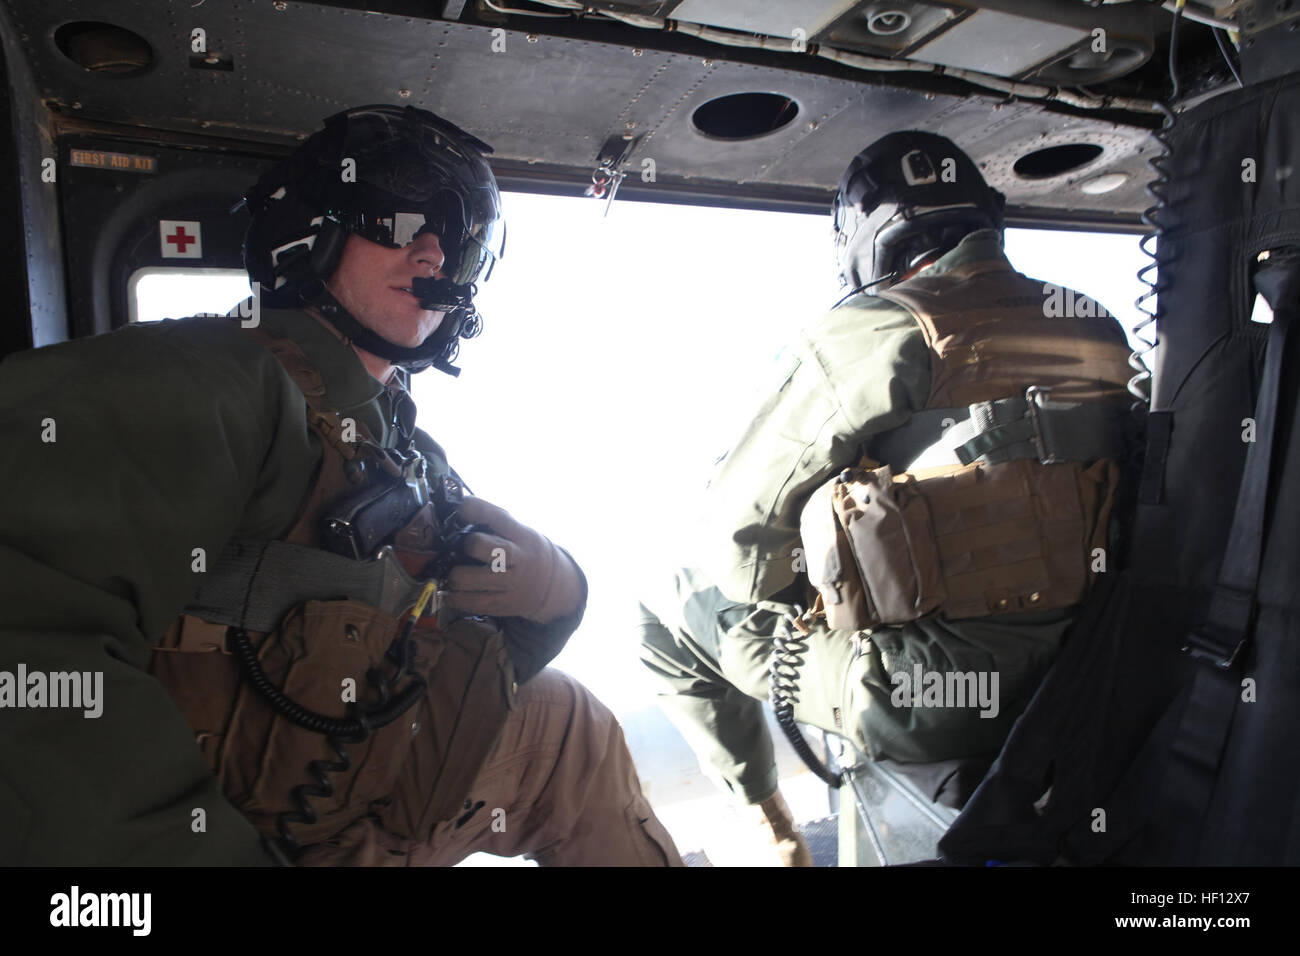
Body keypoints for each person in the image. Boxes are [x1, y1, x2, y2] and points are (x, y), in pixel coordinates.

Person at [0, 104, 681, 867]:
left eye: (459, 239)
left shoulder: (407, 450)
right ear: (309, 226)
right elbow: (26, 641)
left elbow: (459, 667)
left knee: (567, 728)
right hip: (241, 832)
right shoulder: (216, 380)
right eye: (397, 218)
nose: (431, 252)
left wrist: (560, 596)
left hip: (368, 800)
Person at [637, 130, 1137, 866]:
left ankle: (772, 830)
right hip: (1100, 665)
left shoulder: (878, 326)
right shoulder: (1091, 318)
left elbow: (737, 548)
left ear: (867, 244)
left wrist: (829, 586)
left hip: (933, 700)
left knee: (668, 603)